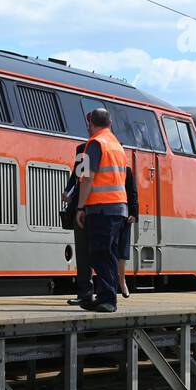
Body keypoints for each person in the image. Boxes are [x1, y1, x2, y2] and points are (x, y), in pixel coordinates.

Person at [76, 107, 129, 312]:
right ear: (110, 123)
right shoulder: (116, 145)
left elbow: (86, 178)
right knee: (108, 253)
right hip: (118, 207)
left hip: (101, 208)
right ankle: (105, 296)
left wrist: (80, 207)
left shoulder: (95, 144)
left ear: (91, 124)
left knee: (99, 252)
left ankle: (107, 299)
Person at [64, 142, 94, 308]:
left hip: (102, 207)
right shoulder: (84, 149)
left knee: (103, 252)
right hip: (84, 208)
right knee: (82, 253)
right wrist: (68, 192)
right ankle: (86, 294)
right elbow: (76, 177)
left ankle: (107, 294)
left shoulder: (111, 147)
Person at [117, 165, 138, 299]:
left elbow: (133, 192)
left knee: (122, 252)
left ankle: (122, 280)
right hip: (107, 213)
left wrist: (134, 213)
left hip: (124, 215)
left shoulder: (127, 170)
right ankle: (114, 282)